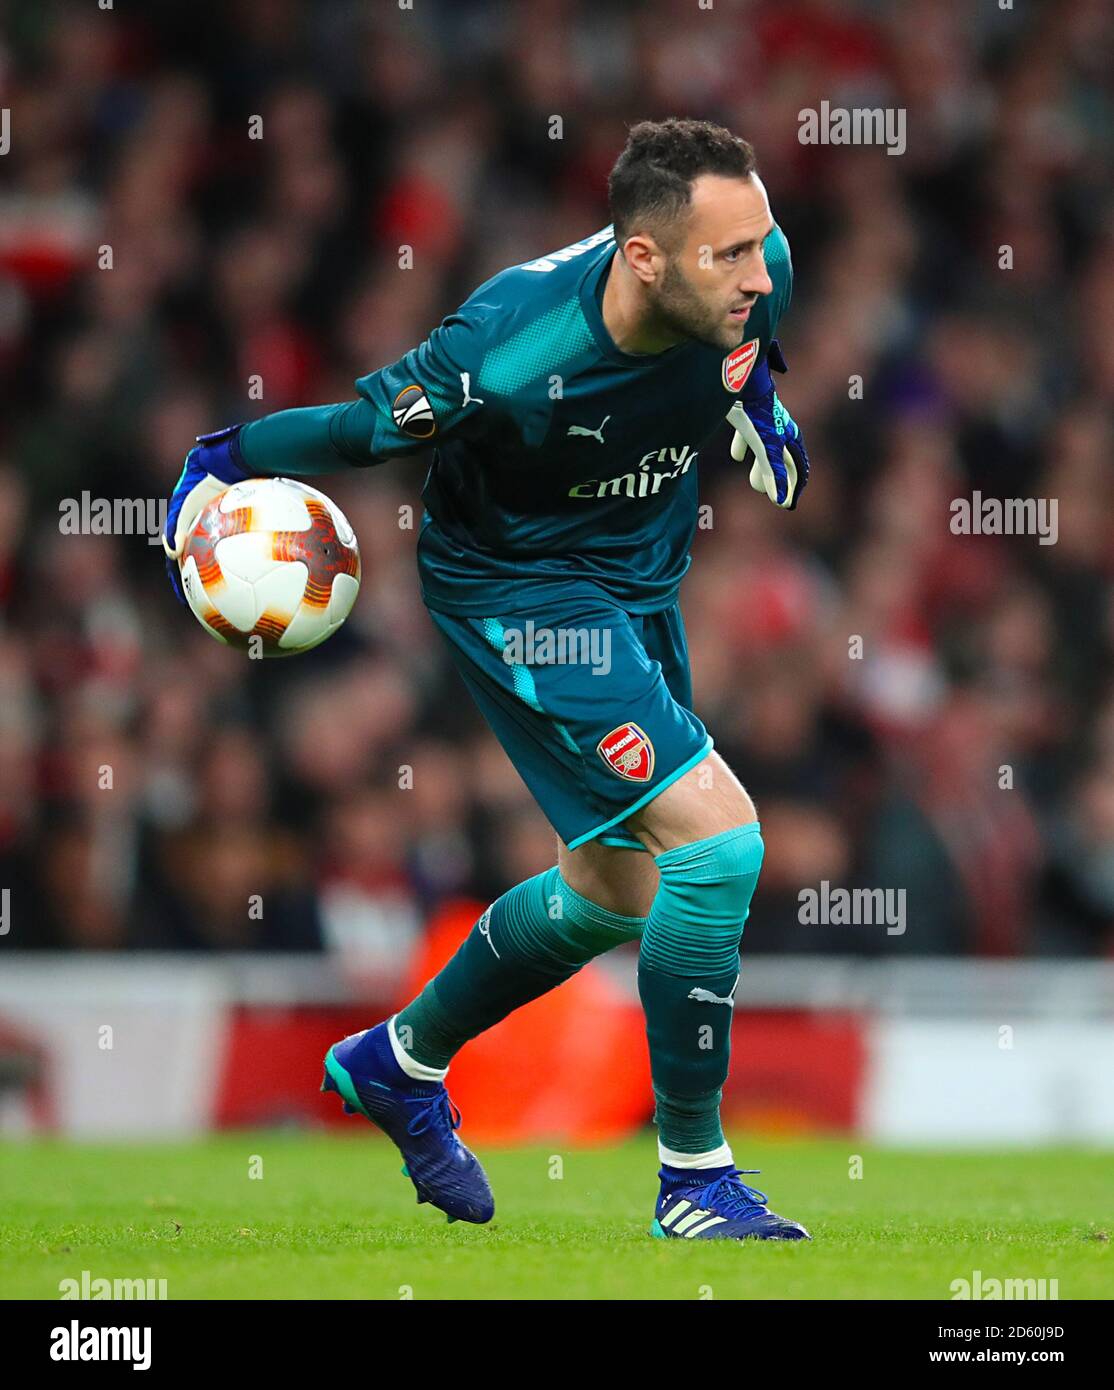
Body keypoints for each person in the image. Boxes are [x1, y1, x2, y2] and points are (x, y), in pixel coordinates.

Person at [163, 118, 812, 1242]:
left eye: (761, 246)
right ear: (644, 258)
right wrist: (221, 461)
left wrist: (758, 401)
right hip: (516, 593)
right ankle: (693, 1177)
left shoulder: (758, 272)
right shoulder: (508, 352)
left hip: (638, 583)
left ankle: (399, 1059)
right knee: (719, 846)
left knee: (616, 890)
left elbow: (754, 340)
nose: (758, 273)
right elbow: (365, 428)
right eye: (732, 256)